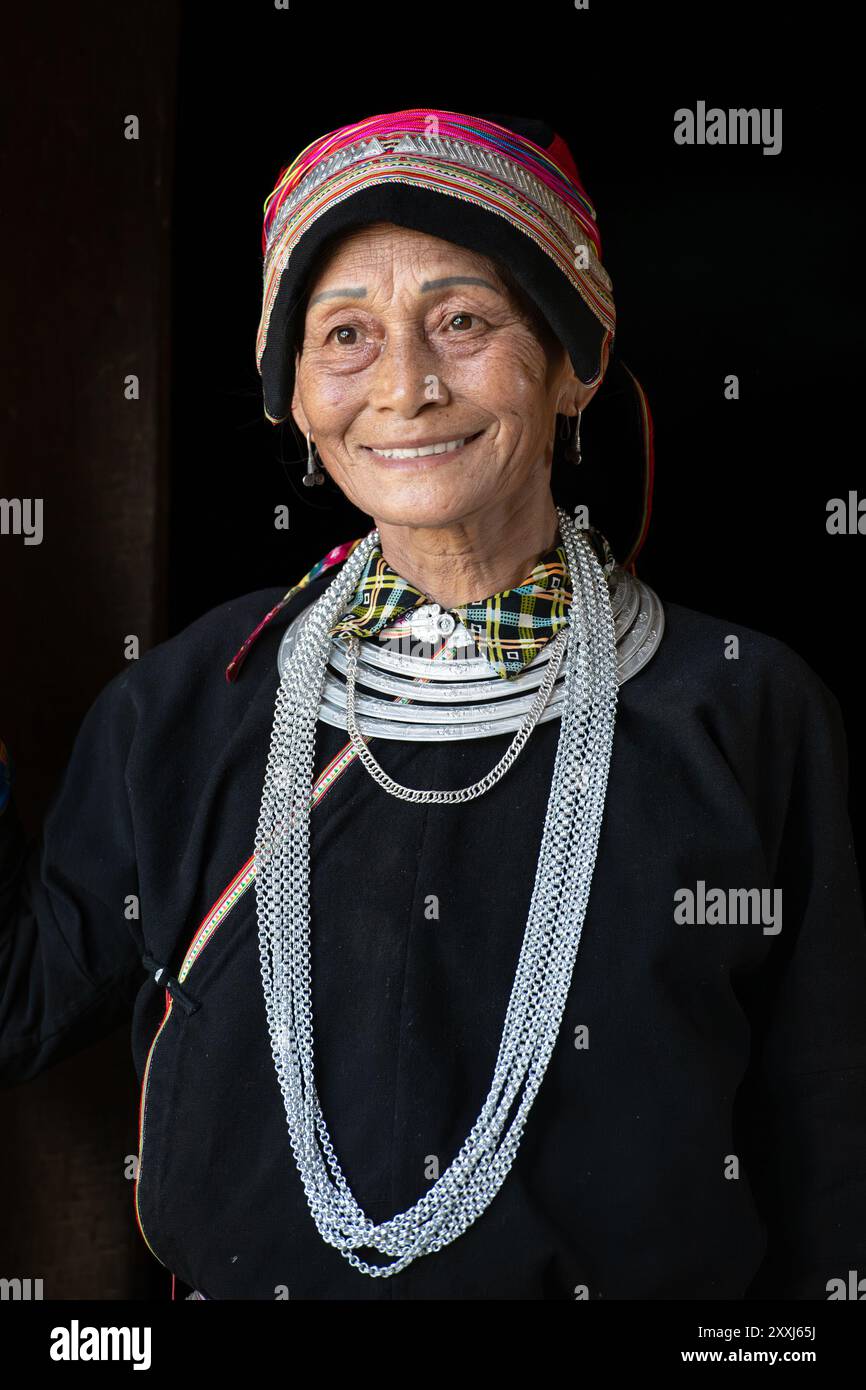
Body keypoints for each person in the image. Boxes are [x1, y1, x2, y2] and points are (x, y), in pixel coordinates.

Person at [2, 108, 865, 1302]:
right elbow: (20, 1001)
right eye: (344, 335)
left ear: (575, 361)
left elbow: (826, 1142)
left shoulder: (742, 711)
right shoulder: (191, 703)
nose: (404, 386)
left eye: (462, 321)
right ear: (295, 398)